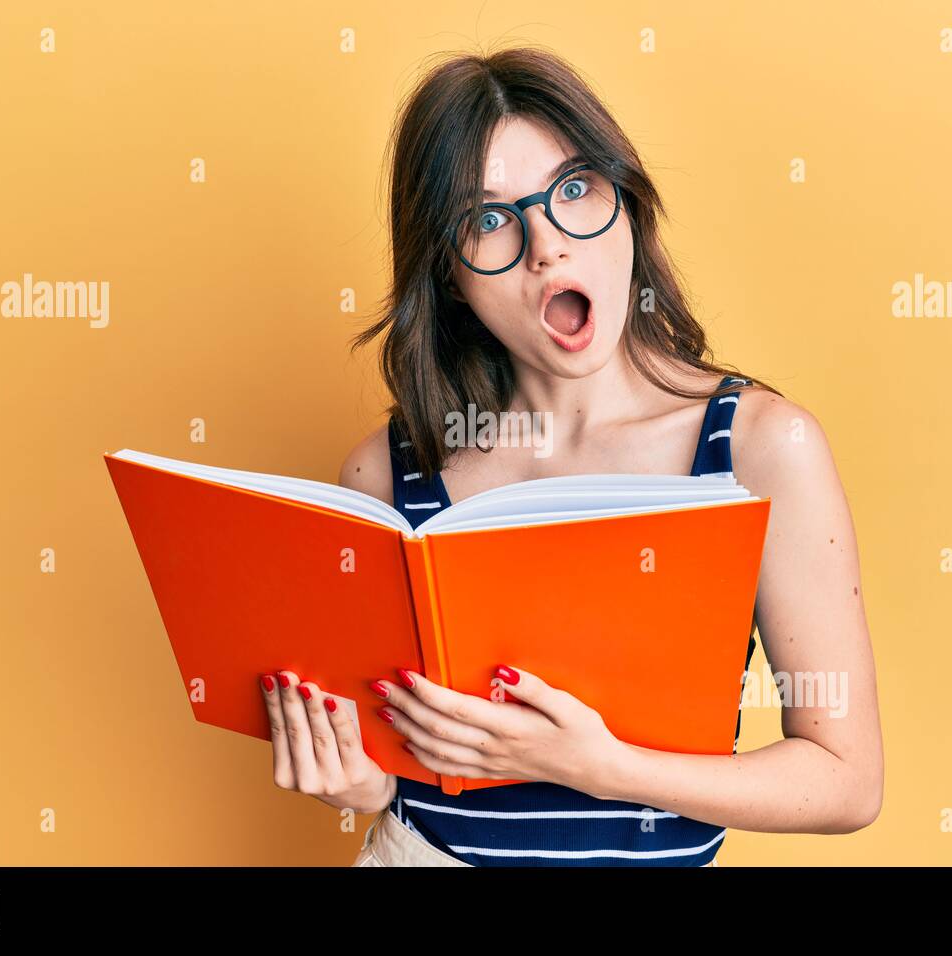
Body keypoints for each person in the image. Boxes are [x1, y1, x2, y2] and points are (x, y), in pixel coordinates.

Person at [258, 46, 884, 867]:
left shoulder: (761, 450)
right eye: (488, 221)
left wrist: (600, 768)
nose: (547, 247)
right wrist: (361, 782)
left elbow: (847, 781)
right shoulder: (387, 472)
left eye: (574, 190)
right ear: (449, 275)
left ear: (625, 203)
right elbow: (397, 769)